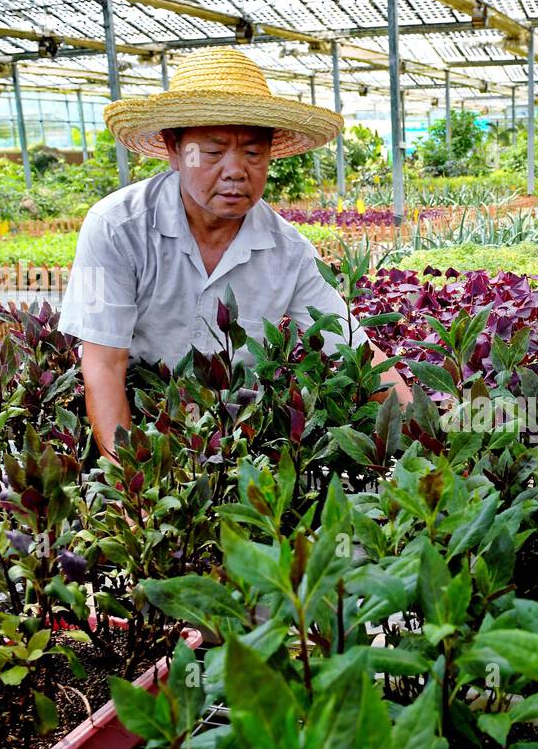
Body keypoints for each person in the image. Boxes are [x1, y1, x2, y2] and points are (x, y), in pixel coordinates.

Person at [59, 48, 412, 460]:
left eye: (252, 152)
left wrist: (426, 434)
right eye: (212, 151)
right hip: (140, 414)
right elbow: (104, 364)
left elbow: (355, 351)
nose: (235, 170)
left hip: (234, 432)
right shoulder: (115, 227)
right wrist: (131, 486)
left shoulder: (290, 252)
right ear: (174, 149)